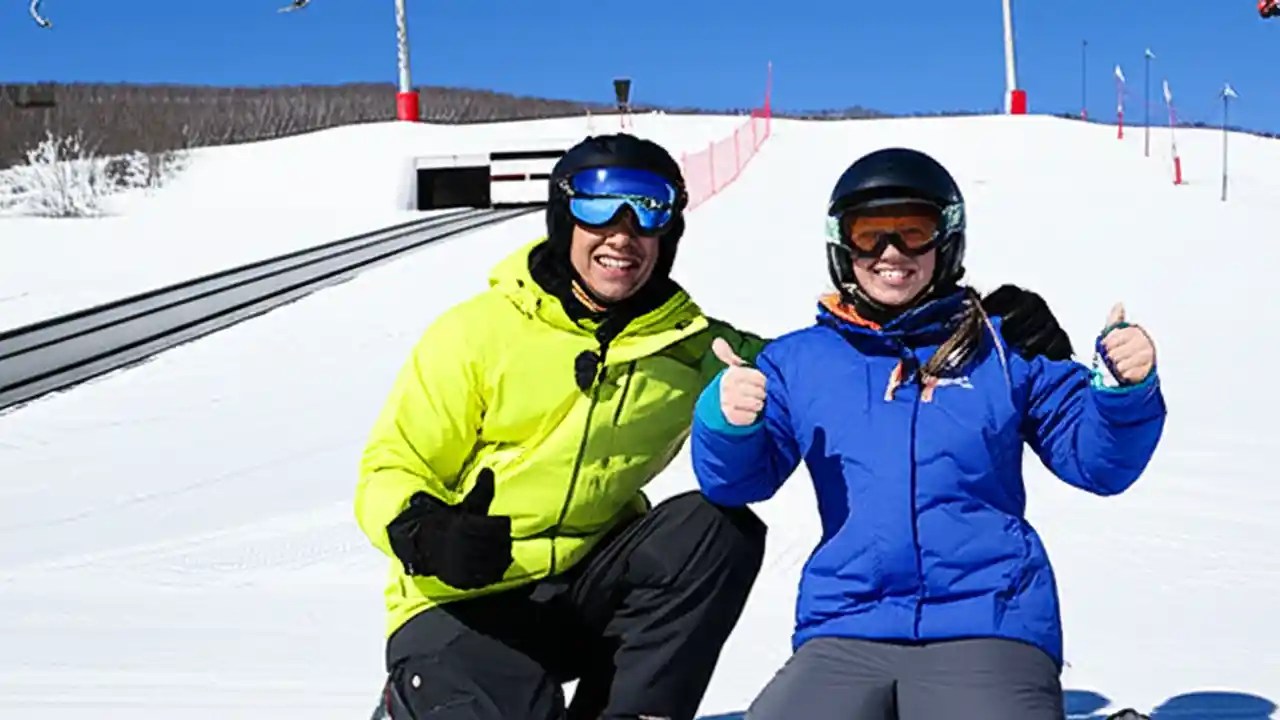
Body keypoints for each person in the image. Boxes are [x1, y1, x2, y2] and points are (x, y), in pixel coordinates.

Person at [689, 147, 1167, 720]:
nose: (892, 253)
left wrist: (1122, 394)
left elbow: (1098, 464)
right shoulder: (799, 361)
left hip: (988, 619)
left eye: (914, 232)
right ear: (842, 244)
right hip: (847, 625)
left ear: (947, 240)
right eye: (869, 235)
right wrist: (727, 424)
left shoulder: (1005, 347)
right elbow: (736, 484)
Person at [355, 133, 772, 720]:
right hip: (465, 595)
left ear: (669, 233)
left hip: (584, 592)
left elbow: (798, 371)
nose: (622, 234)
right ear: (562, 216)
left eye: (648, 212)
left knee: (714, 529)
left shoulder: (689, 347)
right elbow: (390, 467)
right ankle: (414, 700)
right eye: (597, 208)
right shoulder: (477, 333)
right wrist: (426, 532)